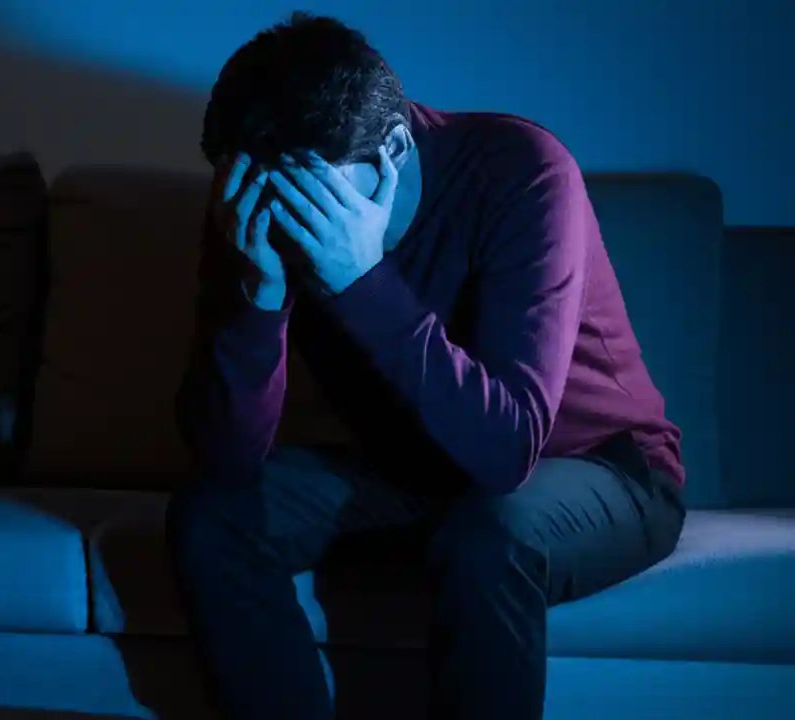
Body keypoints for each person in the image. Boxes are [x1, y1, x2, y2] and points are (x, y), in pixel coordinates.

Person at [166, 12, 687, 720]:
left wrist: (360, 278)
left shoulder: (523, 171)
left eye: (313, 203)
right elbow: (226, 459)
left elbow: (506, 452)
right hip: (409, 468)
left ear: (392, 151)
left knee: (487, 540)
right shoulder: (253, 198)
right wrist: (257, 299)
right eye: (264, 196)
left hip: (601, 467)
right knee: (211, 515)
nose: (287, 222)